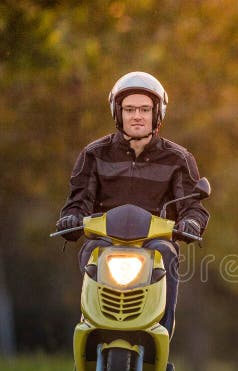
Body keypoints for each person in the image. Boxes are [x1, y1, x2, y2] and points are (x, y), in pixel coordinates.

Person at [56, 71, 209, 337]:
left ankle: (160, 331)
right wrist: (71, 218)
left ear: (157, 113)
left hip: (155, 244)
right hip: (105, 240)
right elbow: (78, 201)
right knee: (92, 250)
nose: (137, 115)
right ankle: (90, 327)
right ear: (117, 112)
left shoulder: (179, 158)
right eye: (129, 109)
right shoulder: (94, 154)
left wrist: (192, 222)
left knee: (167, 254)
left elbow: (193, 206)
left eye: (144, 109)